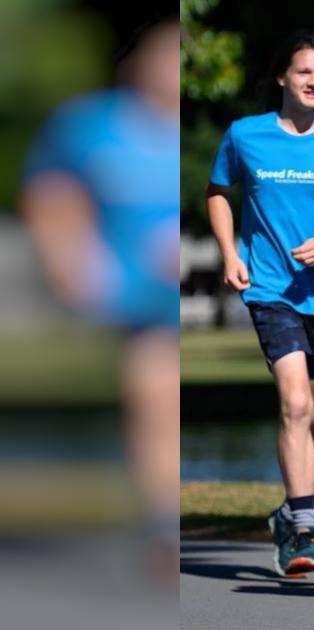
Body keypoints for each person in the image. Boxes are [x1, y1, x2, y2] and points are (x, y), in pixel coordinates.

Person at [206, 31, 314, 576]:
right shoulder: (246, 135)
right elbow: (218, 191)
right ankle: (305, 527)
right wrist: (228, 252)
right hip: (271, 289)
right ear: (282, 76)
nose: (313, 82)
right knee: (294, 403)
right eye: (304, 72)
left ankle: (289, 508)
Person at [20, 16, 182, 577]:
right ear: (139, 61)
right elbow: (49, 190)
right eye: (165, 55)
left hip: (200, 294)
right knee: (156, 396)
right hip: (140, 298)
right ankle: (166, 526)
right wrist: (70, 260)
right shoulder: (92, 125)